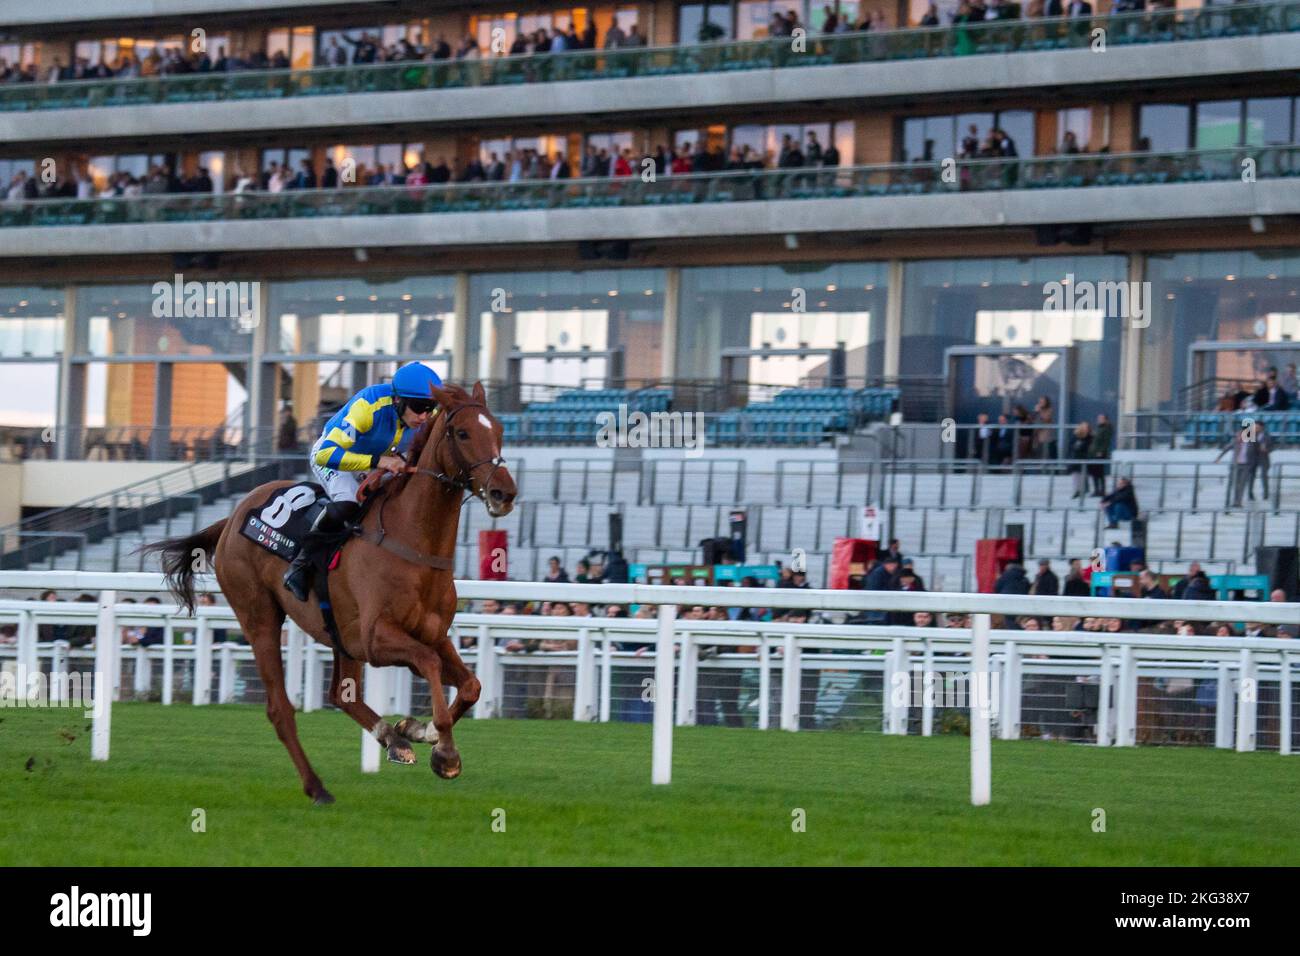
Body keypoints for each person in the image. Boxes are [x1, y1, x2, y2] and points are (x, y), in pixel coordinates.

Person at [282, 362, 442, 601]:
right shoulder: (368, 405)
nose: (424, 416)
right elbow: (324, 454)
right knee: (348, 502)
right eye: (419, 407)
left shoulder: (427, 416)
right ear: (398, 400)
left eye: (431, 408)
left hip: (380, 461)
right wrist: (379, 462)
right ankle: (301, 563)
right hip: (337, 459)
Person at [1088, 413, 1112, 497]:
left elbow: (1106, 441)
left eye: (1101, 418)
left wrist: (1101, 451)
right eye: (1098, 418)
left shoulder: (1107, 428)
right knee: (1094, 472)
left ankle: (1102, 490)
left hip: (1099, 453)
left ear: (1106, 419)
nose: (1099, 420)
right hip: (1093, 453)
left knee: (1100, 472)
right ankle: (1096, 490)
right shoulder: (1099, 428)